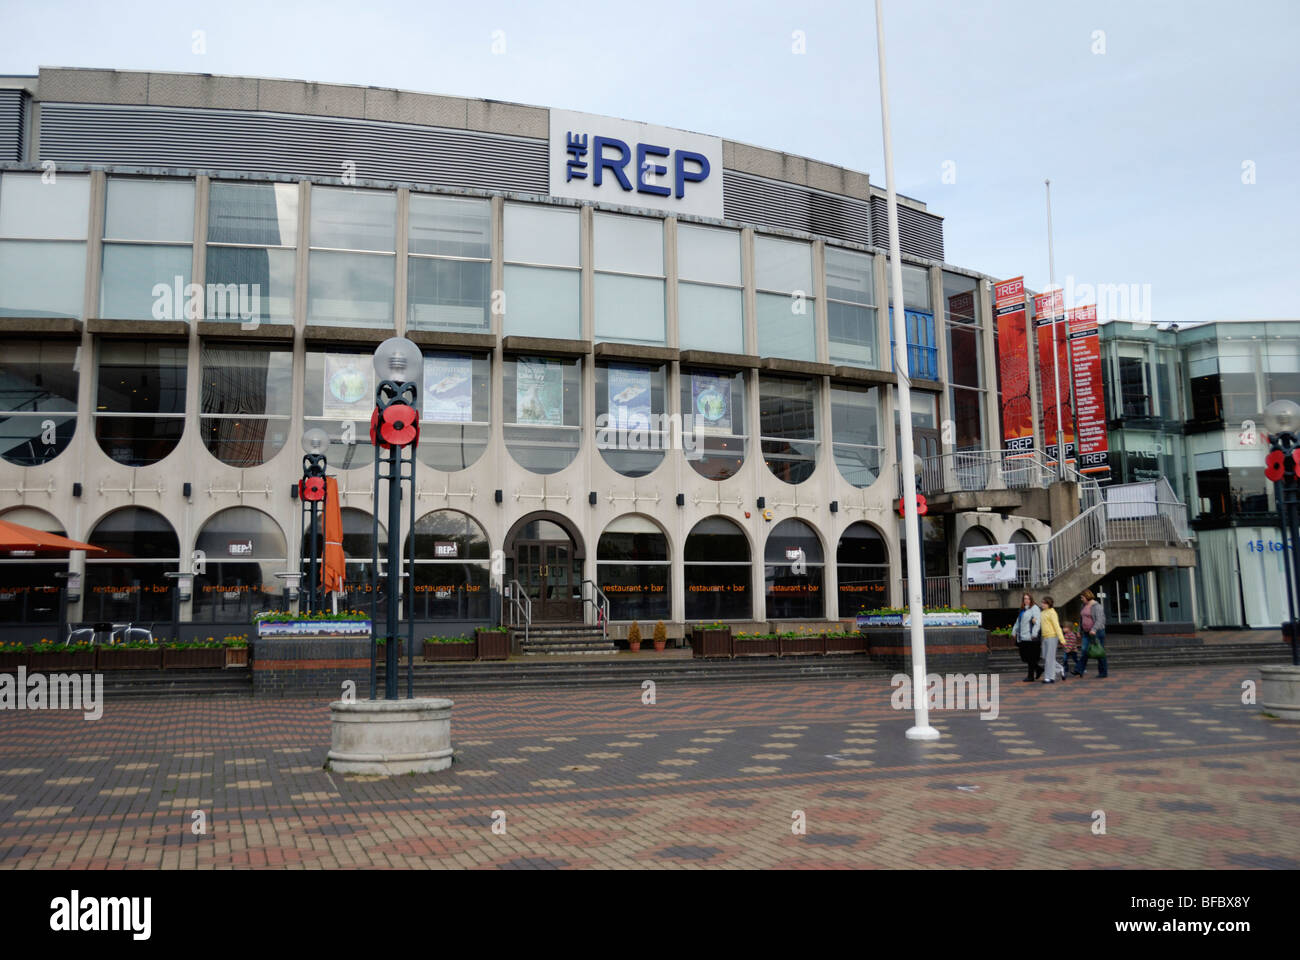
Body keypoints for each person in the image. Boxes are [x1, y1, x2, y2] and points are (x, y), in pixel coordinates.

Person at [1074, 588, 1109, 678]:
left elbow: (1100, 620)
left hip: (1097, 632)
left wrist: (1094, 629)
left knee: (1099, 652)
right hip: (1086, 633)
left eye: (1082, 597)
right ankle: (1079, 670)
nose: (1081, 599)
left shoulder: (1097, 606)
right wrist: (1078, 631)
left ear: (1087, 596)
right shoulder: (1083, 605)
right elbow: (1081, 619)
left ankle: (1103, 672)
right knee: (1084, 651)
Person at [1012, 593, 1042, 682]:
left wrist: (1034, 634)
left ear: (1031, 599)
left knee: (1030, 658)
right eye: (1025, 599)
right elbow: (1018, 622)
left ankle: (1030, 676)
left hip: (1031, 638)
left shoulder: (1035, 608)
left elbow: (1037, 623)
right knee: (1025, 657)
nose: (1026, 600)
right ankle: (1039, 669)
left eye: (1028, 599)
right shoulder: (1023, 610)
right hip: (1023, 637)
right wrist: (1014, 631)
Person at [1039, 595, 1066, 683]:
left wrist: (1062, 639)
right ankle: (1060, 669)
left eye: (1044, 603)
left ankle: (1050, 677)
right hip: (1044, 637)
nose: (1042, 604)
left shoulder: (1052, 612)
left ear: (1048, 604)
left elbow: (1057, 626)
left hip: (1052, 637)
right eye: (1042, 602)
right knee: (1045, 657)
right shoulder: (1042, 613)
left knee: (1049, 658)